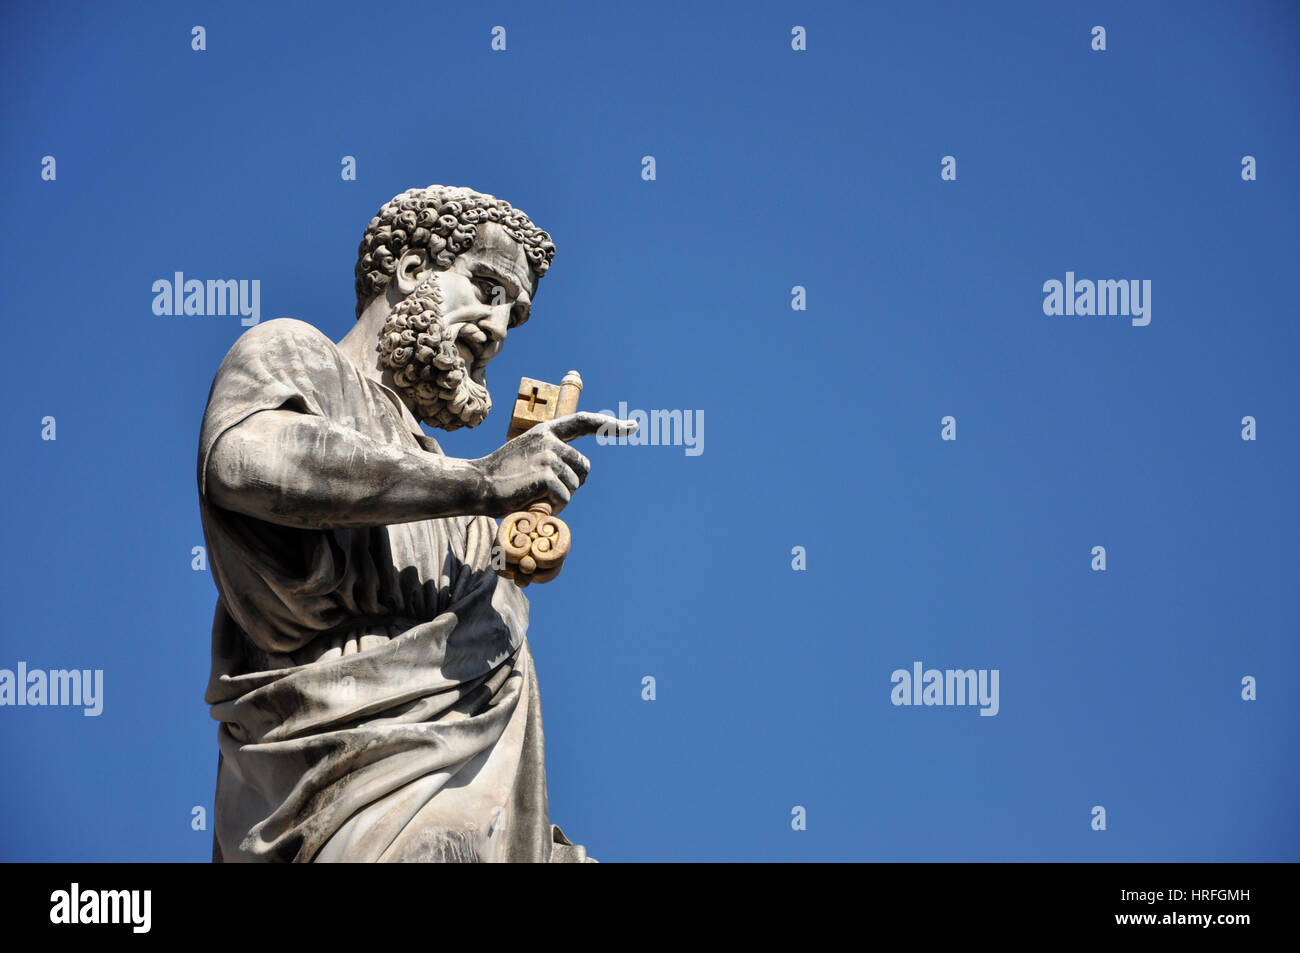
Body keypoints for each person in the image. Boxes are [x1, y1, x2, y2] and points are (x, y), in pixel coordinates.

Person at [198, 185, 632, 862]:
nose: (496, 328)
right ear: (409, 272)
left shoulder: (457, 510)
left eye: (513, 316)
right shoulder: (295, 358)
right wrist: (481, 481)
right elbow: (242, 462)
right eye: (485, 287)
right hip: (336, 799)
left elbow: (490, 706)